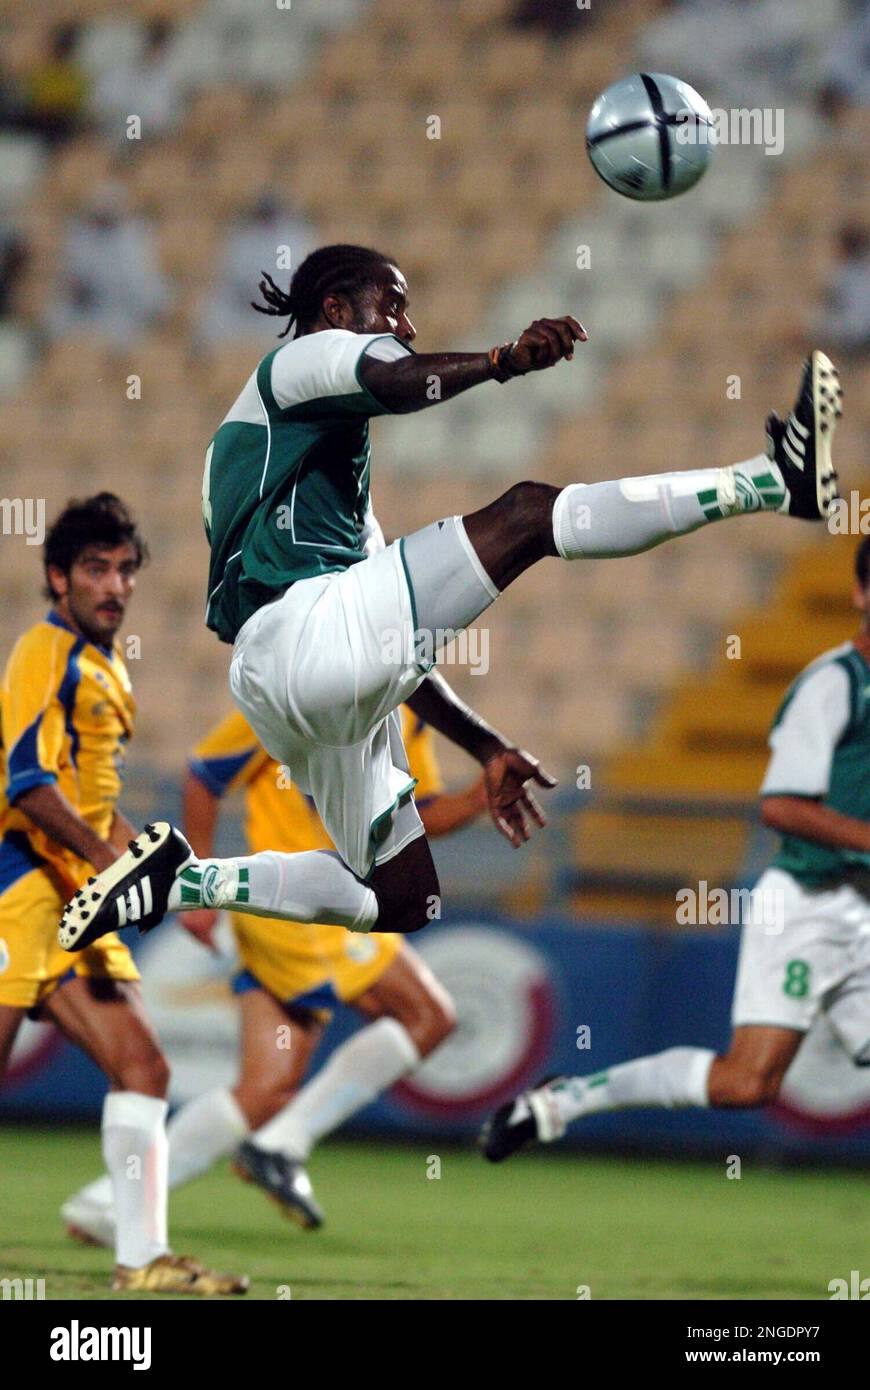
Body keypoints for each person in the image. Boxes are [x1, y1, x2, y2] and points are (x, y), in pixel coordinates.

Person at [57, 244, 842, 979]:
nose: (406, 325)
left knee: (406, 901)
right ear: (334, 309)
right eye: (390, 304)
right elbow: (397, 382)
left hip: (286, 681)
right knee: (531, 514)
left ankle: (183, 882)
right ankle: (772, 481)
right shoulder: (297, 361)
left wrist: (484, 744)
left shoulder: (311, 475)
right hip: (306, 635)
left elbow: (393, 645)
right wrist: (500, 361)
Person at [481, 533, 870, 1160]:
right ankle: (565, 1101)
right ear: (859, 593)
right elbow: (781, 806)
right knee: (747, 1083)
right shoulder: (834, 685)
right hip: (809, 905)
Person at [61, 704, 485, 1242]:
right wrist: (196, 889)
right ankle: (279, 1147)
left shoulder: (405, 706)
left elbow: (415, 815)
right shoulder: (296, 686)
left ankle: (103, 1205)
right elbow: (205, 773)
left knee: (264, 1090)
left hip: (311, 910)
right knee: (429, 1016)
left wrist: (476, 799)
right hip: (304, 905)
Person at [0, 493, 245, 1295]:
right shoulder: (48, 649)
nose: (114, 585)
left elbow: (89, 801)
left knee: (143, 1065)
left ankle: (141, 1261)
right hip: (22, 882)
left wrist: (157, 870)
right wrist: (117, 863)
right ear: (57, 577)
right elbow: (29, 786)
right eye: (95, 569)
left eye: (125, 569)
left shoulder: (107, 664)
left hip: (76, 891)